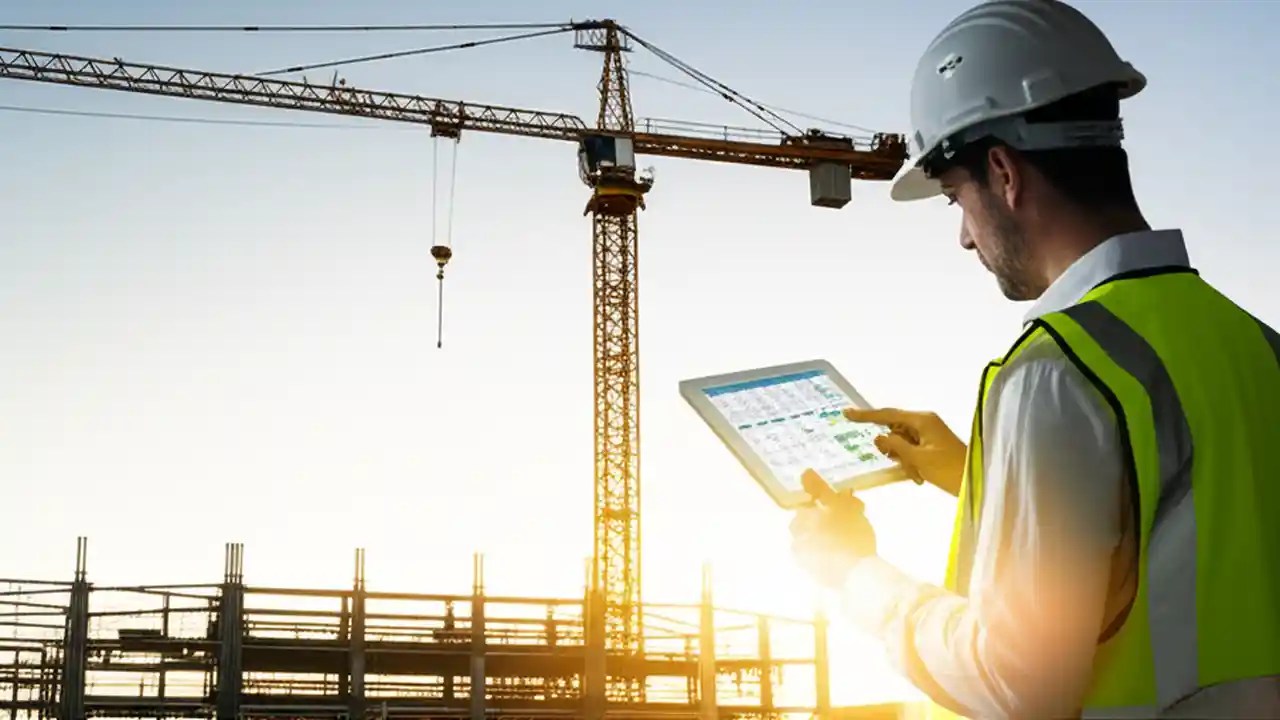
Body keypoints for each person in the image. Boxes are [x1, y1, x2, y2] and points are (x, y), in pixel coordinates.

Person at [787, 1, 1280, 718]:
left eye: (957, 196)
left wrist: (854, 572)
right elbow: (1196, 531)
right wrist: (980, 479)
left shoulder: (1056, 371)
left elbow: (1014, 684)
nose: (963, 238)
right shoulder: (1254, 342)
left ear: (1003, 173)